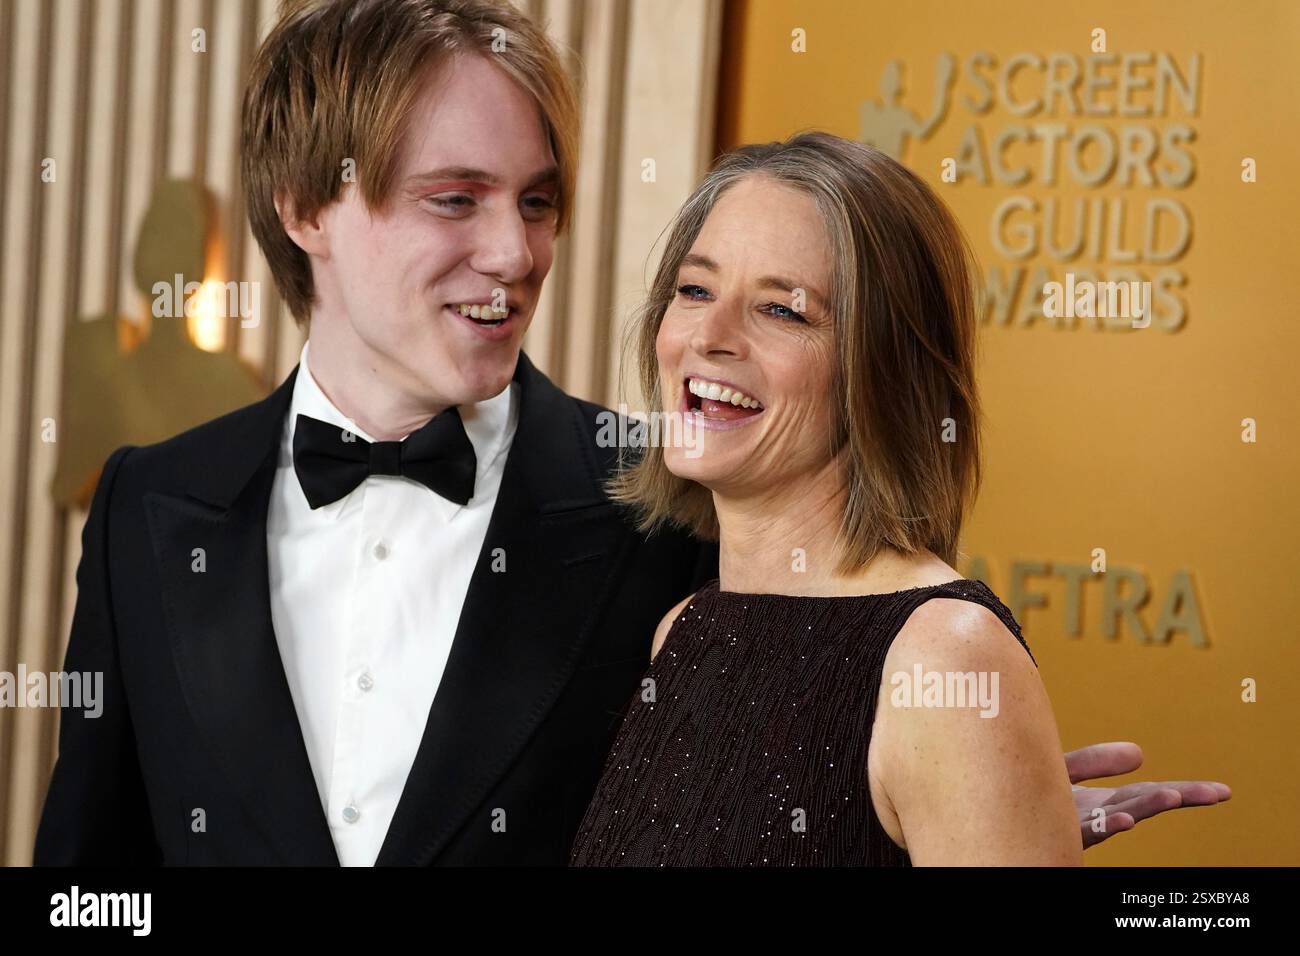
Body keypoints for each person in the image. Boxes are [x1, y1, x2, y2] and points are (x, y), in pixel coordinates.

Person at [35, 0, 1225, 867]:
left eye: (538, 200)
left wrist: (973, 811)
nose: (514, 254)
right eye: (455, 198)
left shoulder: (675, 507)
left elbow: (809, 743)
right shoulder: (150, 505)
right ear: (307, 207)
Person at [569, 132, 1228, 866]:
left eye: (783, 310)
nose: (709, 336)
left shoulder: (946, 654)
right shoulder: (686, 628)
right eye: (695, 290)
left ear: (879, 374)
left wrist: (995, 801)